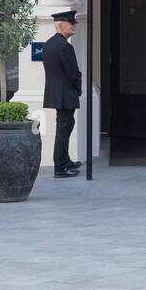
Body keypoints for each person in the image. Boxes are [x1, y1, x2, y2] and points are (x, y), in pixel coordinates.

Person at [42, 11, 83, 178]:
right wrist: (78, 88)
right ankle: (60, 167)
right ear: (60, 26)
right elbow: (73, 73)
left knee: (64, 128)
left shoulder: (49, 43)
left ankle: (64, 161)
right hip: (66, 94)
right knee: (63, 130)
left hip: (56, 93)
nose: (74, 25)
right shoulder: (65, 46)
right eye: (70, 22)